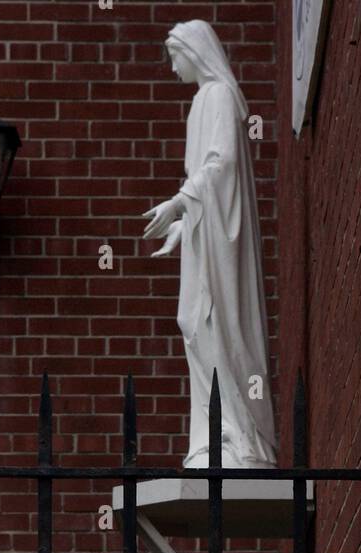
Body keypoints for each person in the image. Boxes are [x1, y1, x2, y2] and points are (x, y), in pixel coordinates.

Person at [140, 19, 277, 469]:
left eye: (174, 55)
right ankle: (209, 433)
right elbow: (206, 173)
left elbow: (222, 163)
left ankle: (239, 437)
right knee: (192, 321)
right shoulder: (201, 101)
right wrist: (184, 225)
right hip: (205, 229)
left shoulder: (216, 95)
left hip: (220, 234)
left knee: (213, 322)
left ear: (195, 53)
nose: (171, 65)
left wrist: (180, 205)